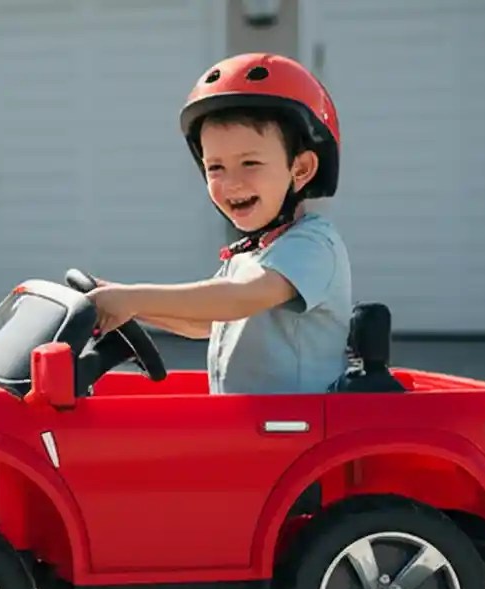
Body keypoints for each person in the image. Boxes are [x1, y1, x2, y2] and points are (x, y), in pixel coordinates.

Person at [87, 53, 351, 395]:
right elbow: (207, 320)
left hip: (295, 432)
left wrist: (133, 298)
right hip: (247, 429)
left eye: (250, 163)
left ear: (300, 170)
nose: (232, 183)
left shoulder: (313, 245)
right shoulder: (250, 255)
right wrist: (121, 301)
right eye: (216, 168)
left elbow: (241, 298)